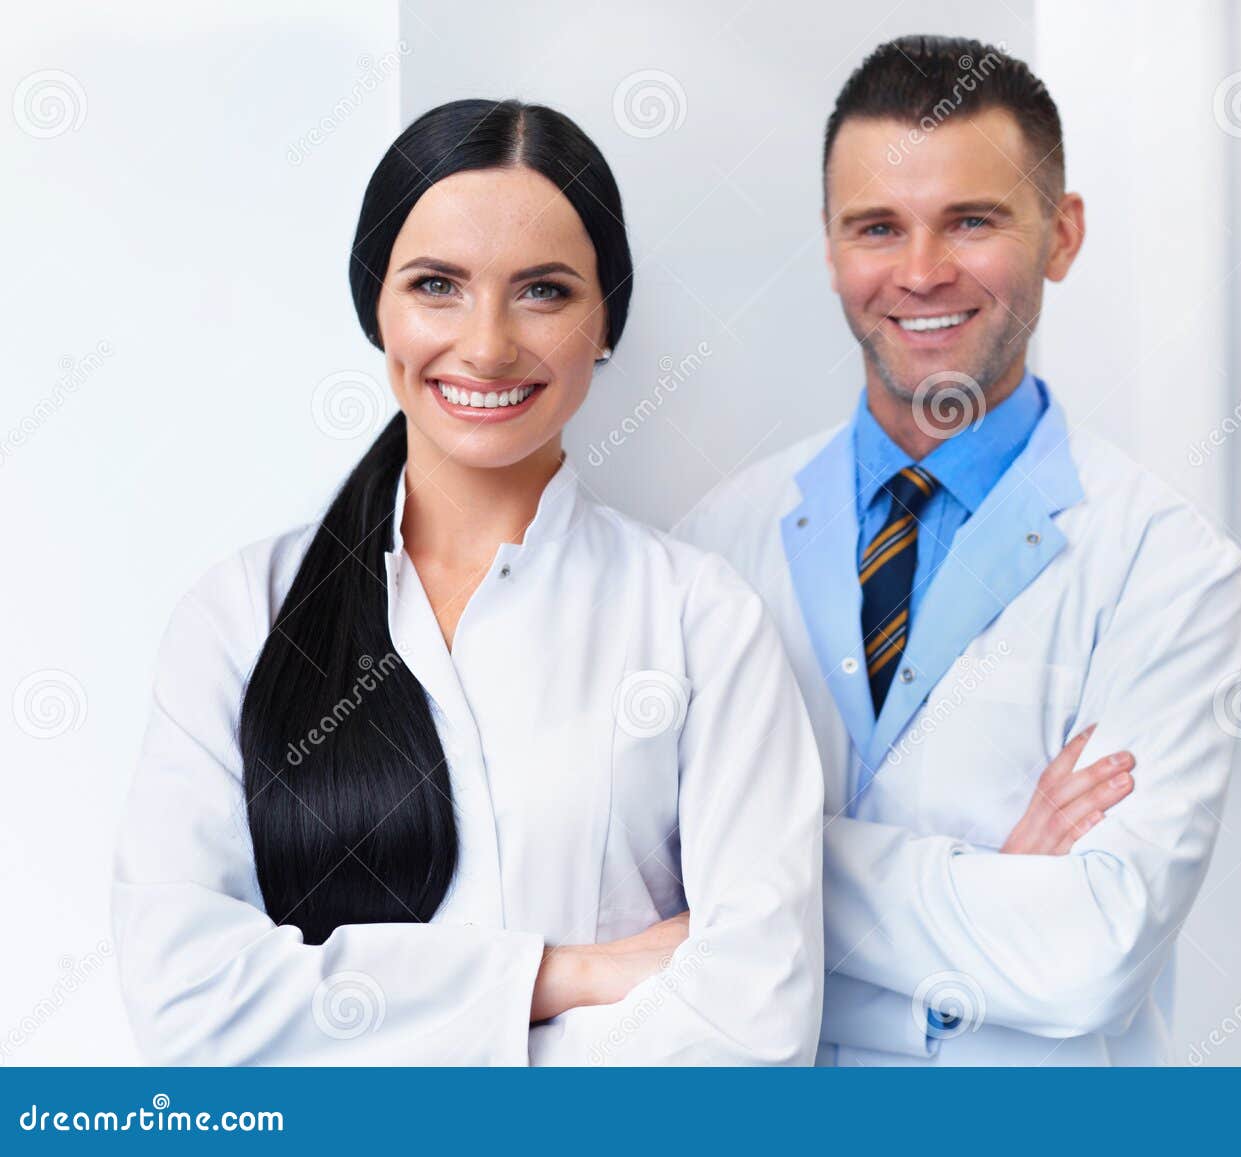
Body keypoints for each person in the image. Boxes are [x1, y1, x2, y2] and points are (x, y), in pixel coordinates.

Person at [111, 99, 823, 1066]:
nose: (486, 345)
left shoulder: (701, 619)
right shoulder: (243, 613)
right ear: (377, 306)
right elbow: (187, 1001)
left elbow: (756, 1022)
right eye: (437, 285)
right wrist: (555, 974)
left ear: (606, 319)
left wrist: (377, 1031)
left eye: (544, 291)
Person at [678, 36, 1241, 1065]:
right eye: (877, 227)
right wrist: (995, 882)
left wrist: (766, 870)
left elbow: (1091, 955)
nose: (920, 271)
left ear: (1060, 235)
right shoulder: (717, 541)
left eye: (971, 221)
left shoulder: (1163, 565)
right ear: (829, 245)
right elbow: (655, 903)